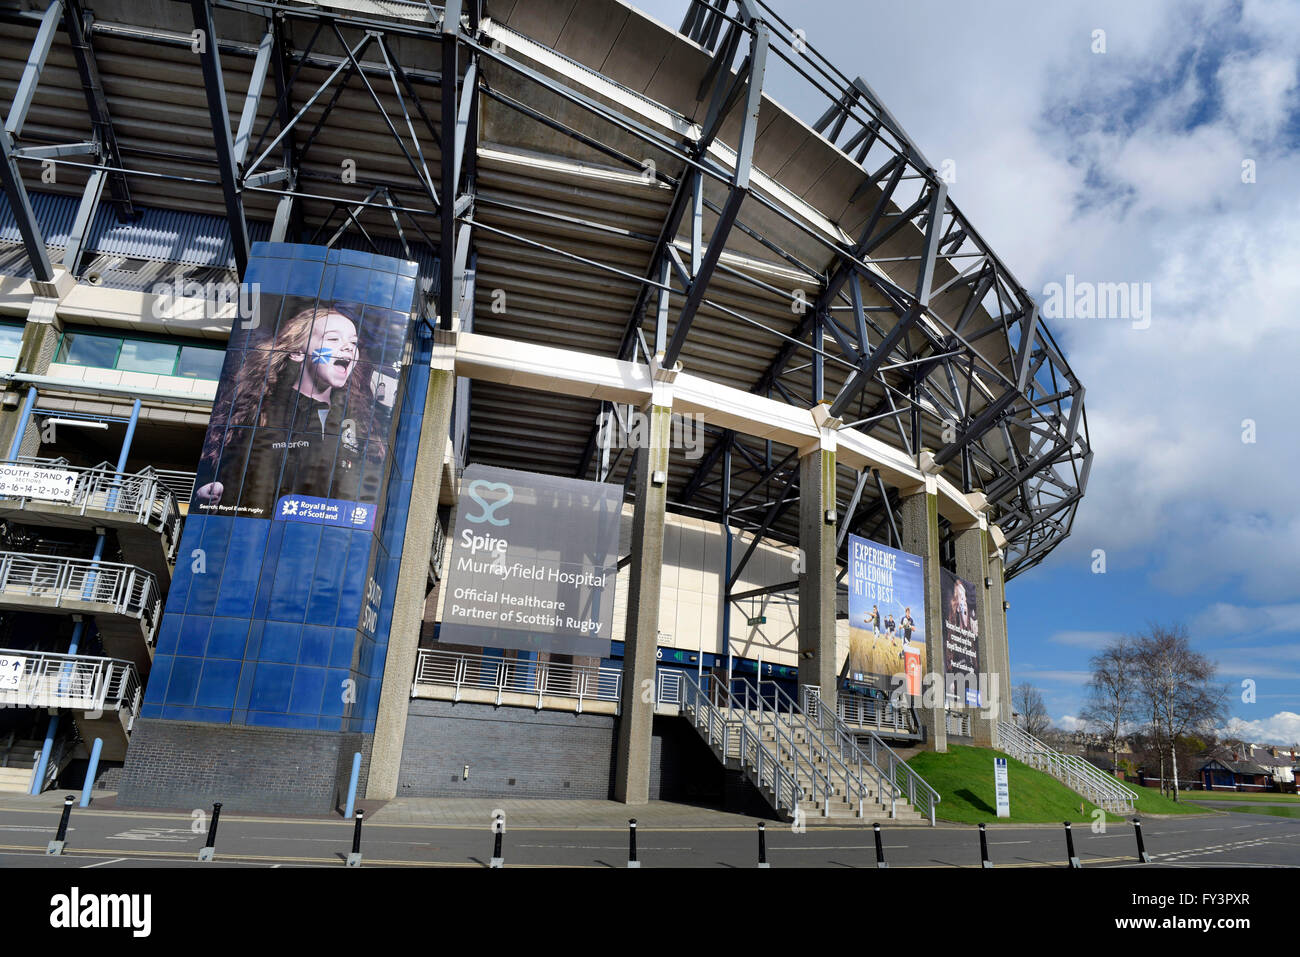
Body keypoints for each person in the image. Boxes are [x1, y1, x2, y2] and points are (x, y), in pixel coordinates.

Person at [194, 304, 384, 516]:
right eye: (333, 339)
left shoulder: (358, 422)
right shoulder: (259, 412)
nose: (348, 347)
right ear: (296, 352)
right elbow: (218, 473)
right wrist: (208, 491)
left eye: (353, 342)